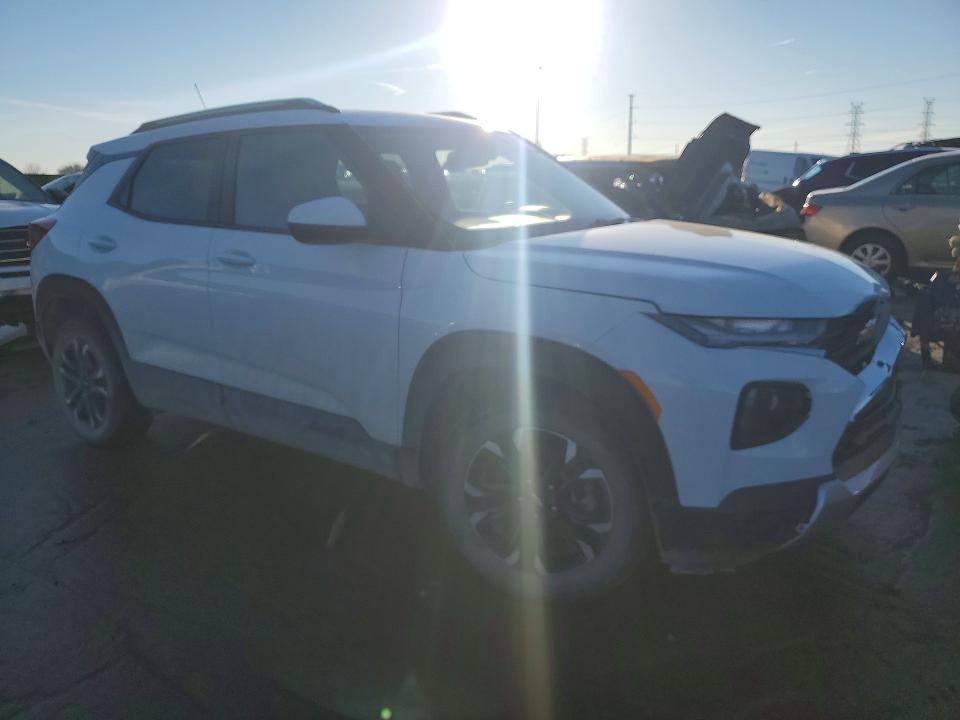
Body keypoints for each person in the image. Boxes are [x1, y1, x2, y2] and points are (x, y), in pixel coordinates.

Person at [912, 233, 960, 371]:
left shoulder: (943, 278)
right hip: (944, 320)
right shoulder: (942, 279)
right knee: (926, 302)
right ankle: (932, 360)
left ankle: (934, 359)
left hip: (945, 320)